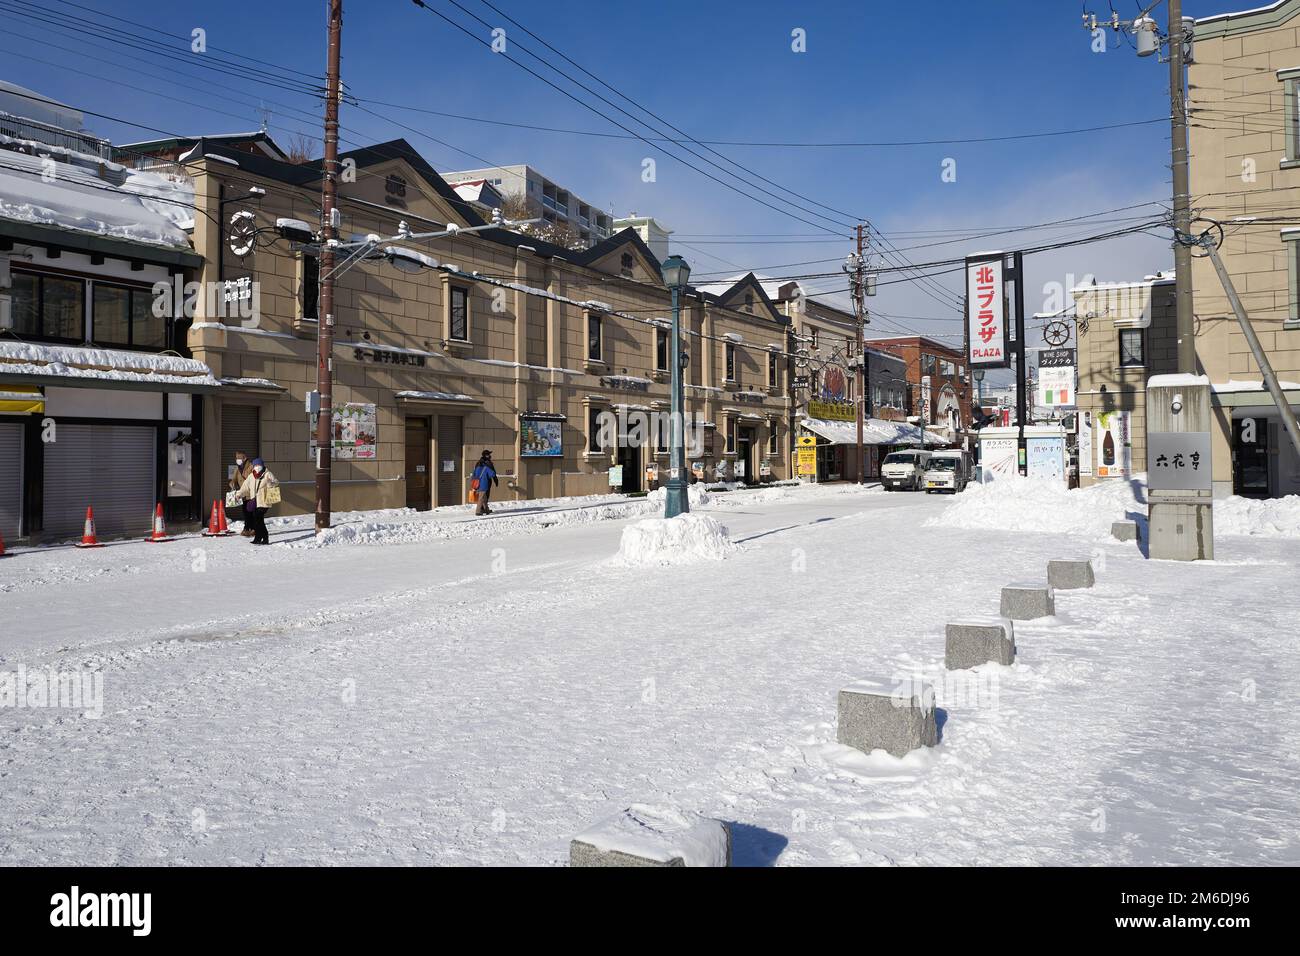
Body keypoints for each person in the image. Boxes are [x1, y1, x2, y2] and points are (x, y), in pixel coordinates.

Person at [235, 457, 279, 545]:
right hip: (254, 501)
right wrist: (238, 494)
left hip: (264, 501)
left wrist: (271, 483)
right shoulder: (251, 476)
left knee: (258, 518)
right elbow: (245, 488)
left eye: (259, 465)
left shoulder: (267, 474)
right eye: (256, 465)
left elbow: (276, 482)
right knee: (257, 520)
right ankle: (258, 538)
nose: (257, 467)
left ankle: (264, 538)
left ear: (262, 466)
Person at [228, 451, 255, 536]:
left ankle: (250, 529)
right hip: (243, 494)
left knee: (251, 512)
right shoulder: (238, 468)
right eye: (236, 458)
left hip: (251, 494)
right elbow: (234, 479)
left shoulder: (251, 467)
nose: (237, 460)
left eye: (239, 458)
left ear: (244, 458)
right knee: (246, 512)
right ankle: (249, 528)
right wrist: (232, 484)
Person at [471, 449, 498, 516]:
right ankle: (478, 511)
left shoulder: (478, 463)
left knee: (484, 496)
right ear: (486, 455)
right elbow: (493, 473)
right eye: (489, 454)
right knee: (482, 496)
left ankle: (486, 509)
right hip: (485, 482)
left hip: (477, 483)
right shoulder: (487, 465)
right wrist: (495, 480)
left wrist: (473, 482)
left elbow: (474, 474)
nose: (490, 456)